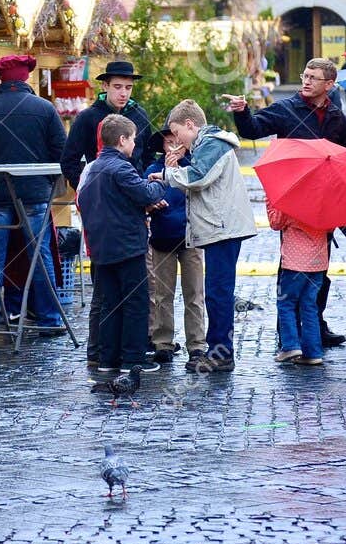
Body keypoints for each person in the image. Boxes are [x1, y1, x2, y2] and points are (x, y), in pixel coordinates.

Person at [226, 59, 346, 347]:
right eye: (305, 76)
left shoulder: (336, 117)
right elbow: (253, 129)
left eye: (314, 78)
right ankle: (288, 333)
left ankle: (316, 325)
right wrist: (243, 112)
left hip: (324, 203)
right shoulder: (287, 109)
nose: (306, 81)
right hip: (294, 202)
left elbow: (340, 159)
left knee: (321, 269)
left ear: (329, 85)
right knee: (291, 269)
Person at [0, 53, 68, 334]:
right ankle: (48, 319)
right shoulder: (45, 109)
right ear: (25, 77)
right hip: (35, 195)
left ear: (3, 79)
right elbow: (62, 153)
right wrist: (44, 181)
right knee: (40, 254)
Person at [61, 60, 153, 361]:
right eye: (117, 87)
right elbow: (70, 159)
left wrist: (146, 190)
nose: (123, 93)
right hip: (101, 205)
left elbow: (149, 154)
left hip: (134, 200)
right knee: (104, 285)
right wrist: (85, 192)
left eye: (128, 87)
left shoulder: (139, 115)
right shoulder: (89, 118)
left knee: (133, 283)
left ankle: (131, 346)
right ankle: (98, 349)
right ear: (105, 86)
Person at [158, 100, 257, 372]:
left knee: (218, 294)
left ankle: (220, 354)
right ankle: (218, 351)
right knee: (216, 293)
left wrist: (168, 174)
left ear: (190, 125)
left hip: (222, 230)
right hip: (219, 229)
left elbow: (198, 177)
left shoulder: (212, 144)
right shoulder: (208, 144)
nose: (177, 140)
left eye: (177, 133)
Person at [76, 114, 167, 378]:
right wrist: (159, 182)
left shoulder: (92, 168)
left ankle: (108, 359)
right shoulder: (121, 167)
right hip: (127, 247)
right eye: (133, 139)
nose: (134, 145)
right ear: (122, 139)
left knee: (109, 304)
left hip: (101, 248)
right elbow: (145, 194)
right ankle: (132, 360)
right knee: (135, 304)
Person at [143, 141, 207, 365]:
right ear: (161, 144)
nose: (174, 147)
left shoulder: (194, 168)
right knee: (162, 295)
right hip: (162, 238)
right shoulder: (153, 170)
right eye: (169, 141)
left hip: (191, 237)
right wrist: (151, 204)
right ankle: (163, 342)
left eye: (178, 142)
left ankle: (197, 344)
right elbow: (144, 197)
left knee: (194, 294)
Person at [268, 203, 327, 366]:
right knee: (309, 306)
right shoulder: (324, 200)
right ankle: (313, 352)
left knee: (286, 303)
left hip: (295, 263)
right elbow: (330, 229)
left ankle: (290, 345)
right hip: (318, 262)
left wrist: (272, 203)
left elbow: (276, 223)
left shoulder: (290, 200)